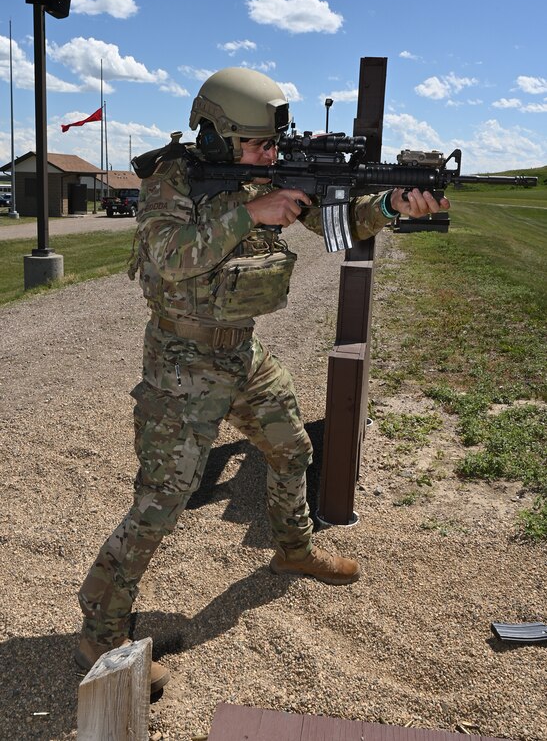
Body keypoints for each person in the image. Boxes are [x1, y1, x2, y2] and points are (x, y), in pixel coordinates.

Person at [75, 67, 450, 691]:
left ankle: (293, 550)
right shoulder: (173, 178)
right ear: (216, 134)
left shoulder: (267, 172)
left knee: (292, 448)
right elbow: (168, 257)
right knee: (162, 501)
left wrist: (390, 206)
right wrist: (252, 211)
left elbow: (339, 223)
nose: (269, 155)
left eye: (273, 143)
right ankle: (99, 632)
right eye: (255, 145)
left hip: (241, 354)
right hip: (179, 363)